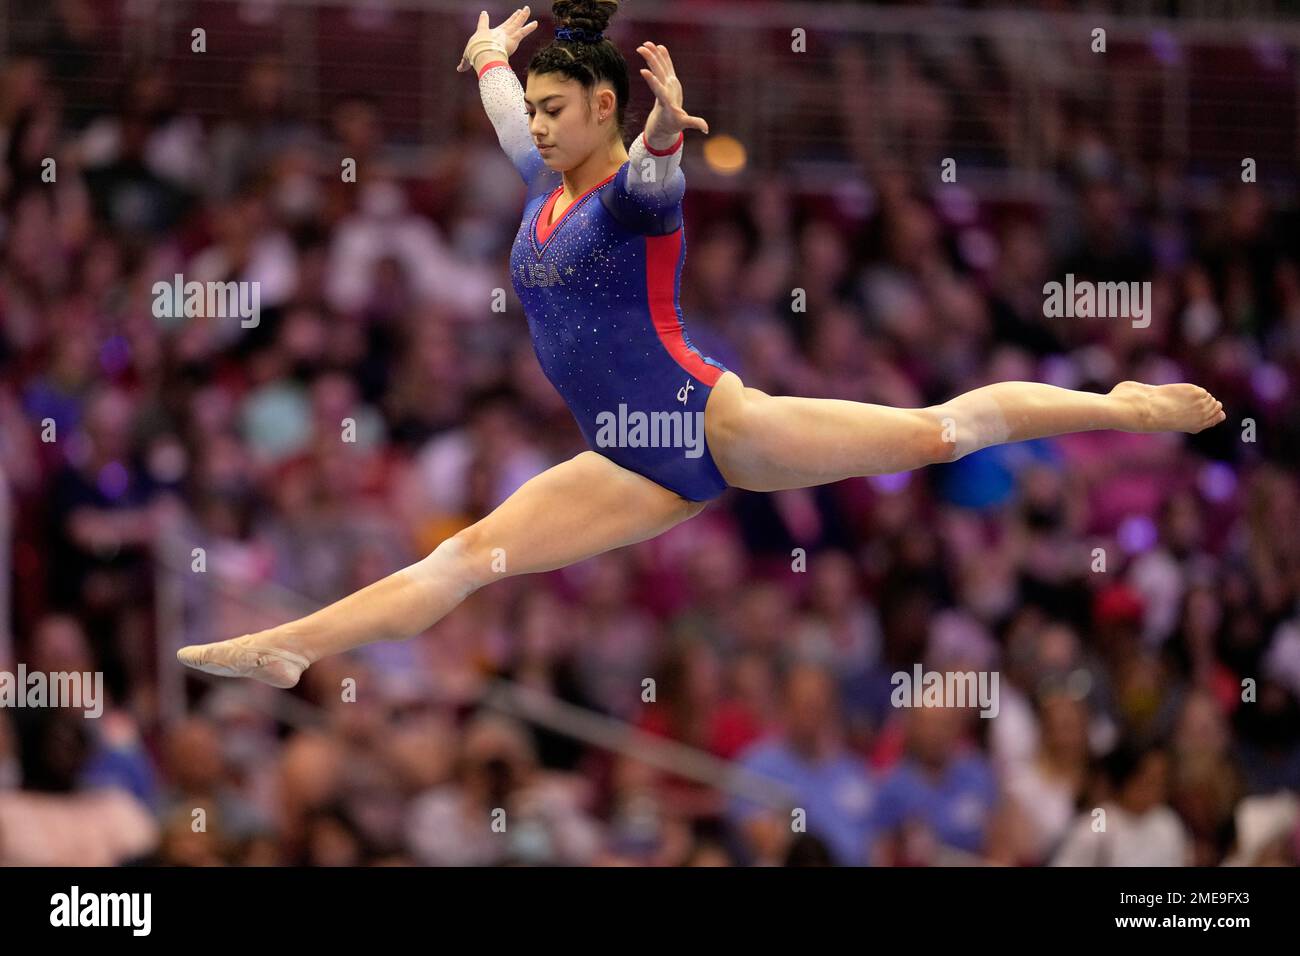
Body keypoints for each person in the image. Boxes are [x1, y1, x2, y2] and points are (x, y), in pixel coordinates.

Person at [177, 1, 1226, 688]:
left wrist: (669, 123)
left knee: (935, 434)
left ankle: (1121, 404)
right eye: (534, 112)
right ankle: (294, 645)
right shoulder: (542, 183)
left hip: (714, 424)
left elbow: (657, 169)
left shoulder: (634, 199)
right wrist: (494, 55)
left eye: (557, 111)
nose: (536, 127)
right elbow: (502, 107)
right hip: (631, 463)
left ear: (603, 110)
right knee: (465, 558)